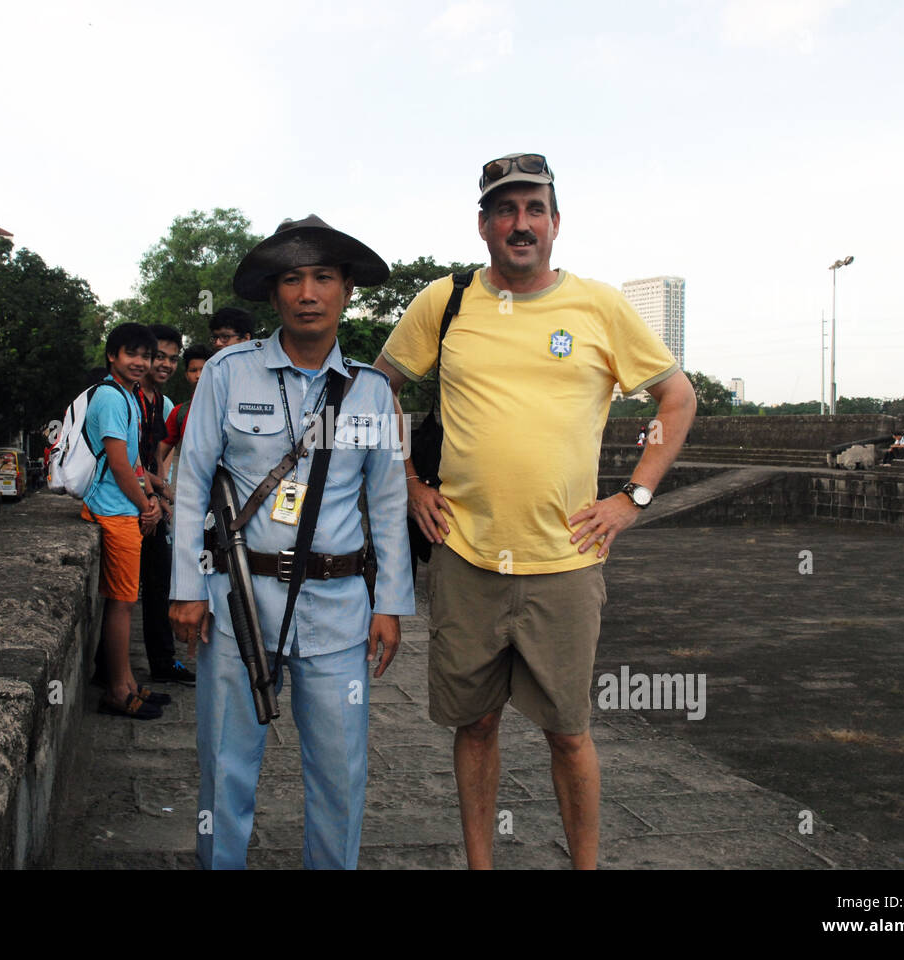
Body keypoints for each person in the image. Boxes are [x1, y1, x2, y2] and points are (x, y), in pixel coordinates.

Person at [374, 153, 697, 870]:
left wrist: (631, 497)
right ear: (484, 223)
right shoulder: (444, 301)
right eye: (505, 209)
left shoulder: (600, 306)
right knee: (476, 722)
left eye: (534, 209)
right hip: (465, 555)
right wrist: (409, 482)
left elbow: (678, 397)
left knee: (570, 732)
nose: (520, 223)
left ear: (556, 222)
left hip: (567, 562)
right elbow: (379, 386)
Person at [169, 215, 415, 870]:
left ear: (347, 292)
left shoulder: (370, 392)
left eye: (324, 277)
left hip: (338, 615)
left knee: (341, 779)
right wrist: (186, 589)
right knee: (225, 773)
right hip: (237, 606)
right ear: (274, 294)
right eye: (292, 278)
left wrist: (390, 603)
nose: (308, 292)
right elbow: (191, 484)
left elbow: (389, 505)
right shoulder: (227, 373)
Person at [83, 323, 167, 719]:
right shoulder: (112, 398)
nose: (141, 363)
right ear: (112, 356)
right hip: (113, 510)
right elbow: (119, 465)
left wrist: (151, 494)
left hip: (126, 506)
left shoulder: (128, 396)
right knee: (121, 604)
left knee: (124, 602)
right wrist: (145, 504)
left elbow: (134, 461)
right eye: (131, 354)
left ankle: (128, 682)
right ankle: (117, 690)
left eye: (146, 356)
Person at [135, 323, 194, 687]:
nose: (166, 364)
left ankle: (161, 661)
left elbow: (155, 458)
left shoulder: (160, 402)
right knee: (126, 595)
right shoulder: (128, 397)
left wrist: (159, 494)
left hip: (148, 501)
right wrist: (156, 495)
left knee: (157, 584)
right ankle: (114, 674)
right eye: (160, 356)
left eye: (173, 359)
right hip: (129, 504)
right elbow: (125, 460)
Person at [158, 343, 213, 472]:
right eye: (193, 370)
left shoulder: (231, 407)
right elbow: (157, 457)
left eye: (204, 369)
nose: (199, 375)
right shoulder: (179, 413)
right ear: (186, 375)